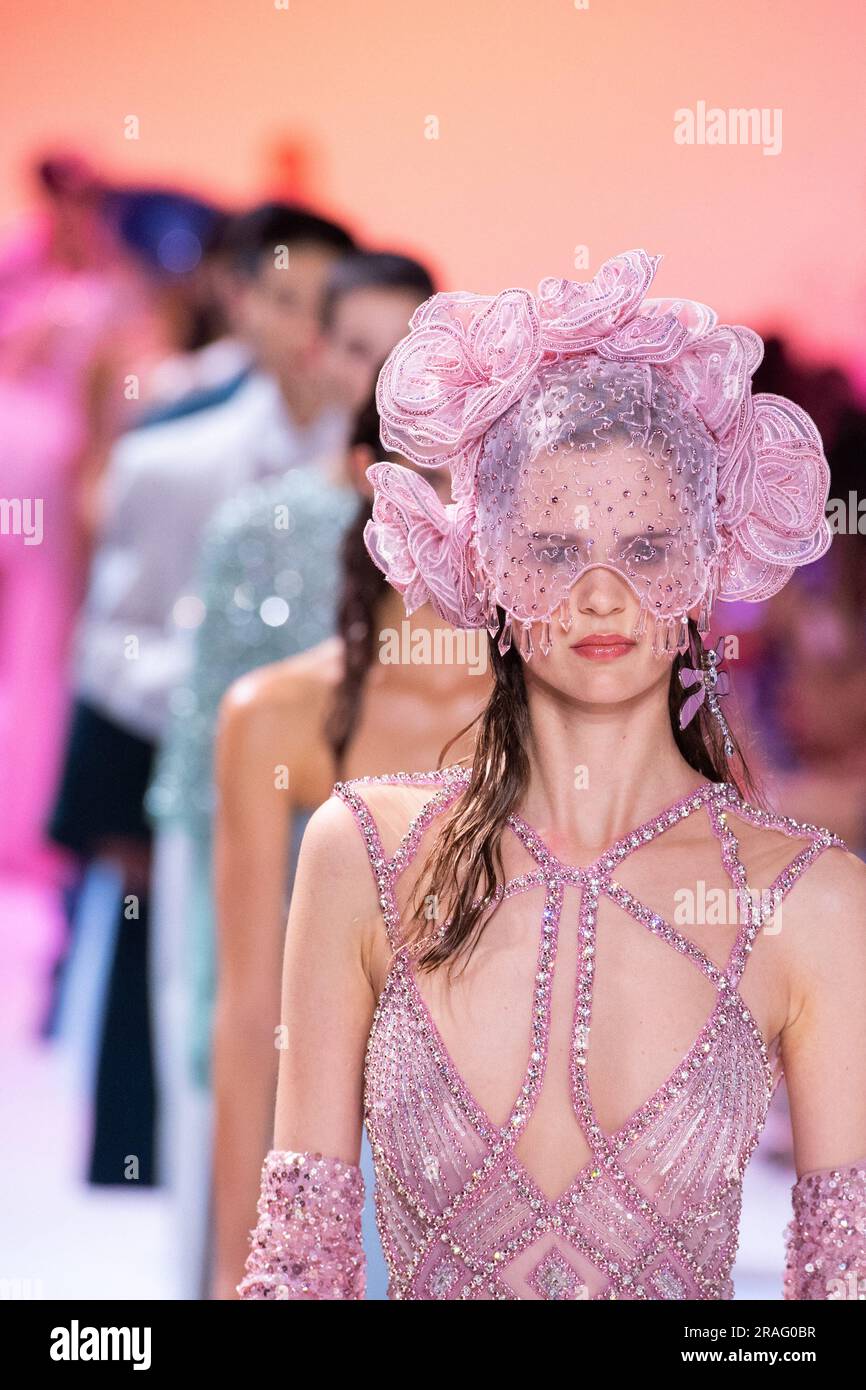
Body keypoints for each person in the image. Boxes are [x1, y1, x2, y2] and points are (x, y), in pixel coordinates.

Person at [236, 250, 866, 1301]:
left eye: (647, 544)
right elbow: (298, 1269)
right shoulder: (364, 854)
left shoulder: (811, 900)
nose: (603, 593)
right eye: (553, 547)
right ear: (482, 556)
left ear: (711, 558)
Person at [47, 202, 356, 1189]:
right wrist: (216, 695)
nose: (300, 327)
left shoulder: (404, 470)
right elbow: (110, 637)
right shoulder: (170, 456)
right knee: (206, 1022)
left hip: (361, 803)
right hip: (216, 796)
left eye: (325, 305)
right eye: (279, 298)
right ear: (239, 301)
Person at [211, 386, 491, 1299]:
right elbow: (254, 1015)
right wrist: (230, 1263)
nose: (454, 504)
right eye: (431, 471)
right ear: (365, 480)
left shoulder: (578, 712)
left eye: (485, 471)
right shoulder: (274, 717)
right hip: (336, 1171)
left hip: (536, 1177)